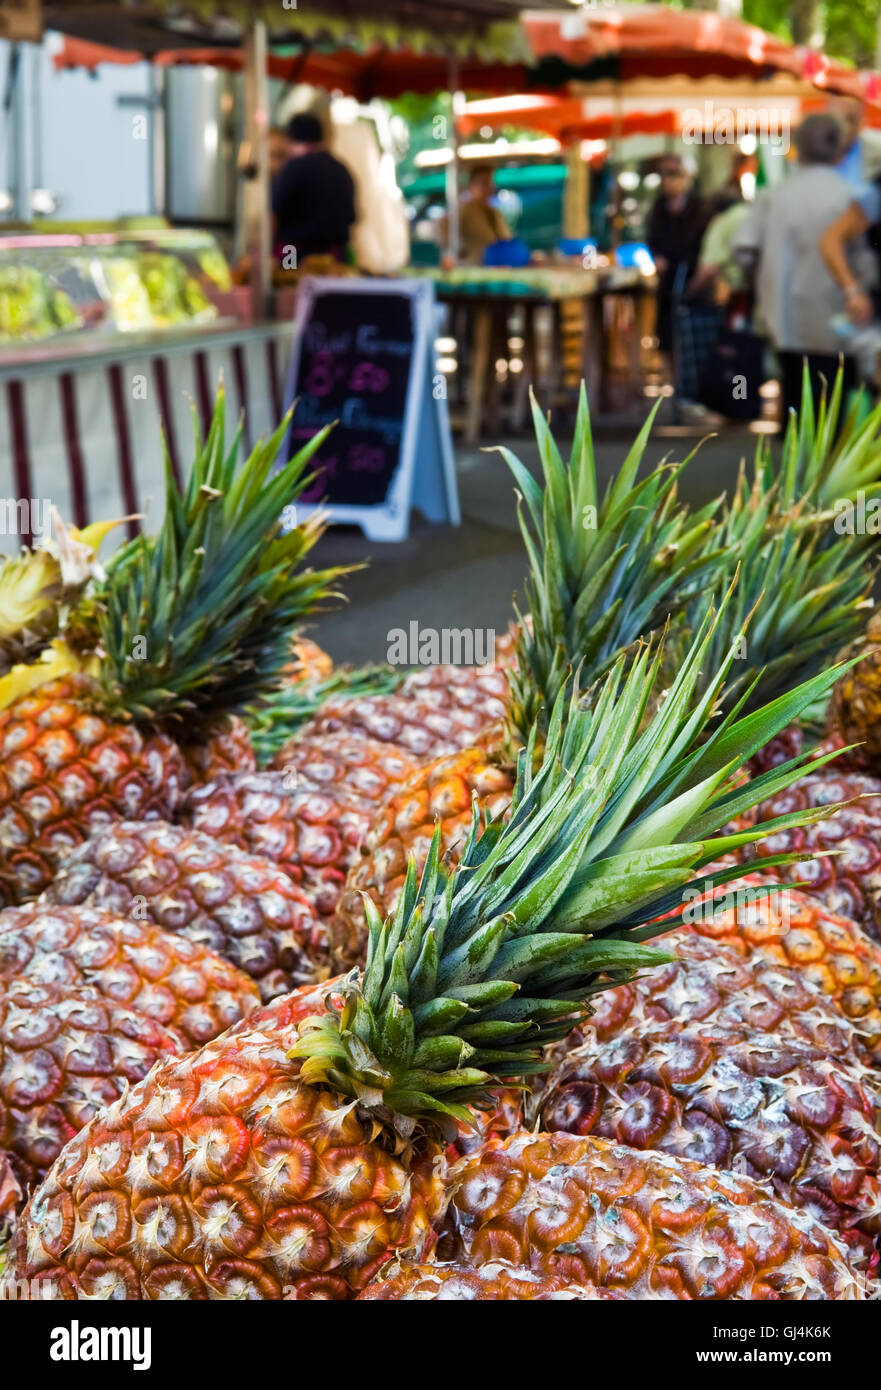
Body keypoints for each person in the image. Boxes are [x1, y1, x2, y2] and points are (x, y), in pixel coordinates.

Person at [733, 111, 876, 424]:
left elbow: (743, 252)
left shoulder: (773, 196)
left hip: (783, 319)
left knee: (794, 397)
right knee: (836, 403)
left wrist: (759, 279)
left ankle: (794, 466)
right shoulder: (853, 195)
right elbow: (866, 259)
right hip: (842, 317)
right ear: (840, 148)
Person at [646, 155, 710, 368]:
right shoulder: (659, 207)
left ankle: (691, 387)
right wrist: (657, 258)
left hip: (694, 282)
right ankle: (673, 385)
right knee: (665, 336)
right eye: (663, 174)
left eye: (673, 174)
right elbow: (652, 239)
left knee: (693, 337)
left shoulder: (700, 207)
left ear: (687, 177)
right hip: (667, 283)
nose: (667, 180)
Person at [271, 112, 357, 265]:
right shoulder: (341, 169)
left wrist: (266, 253)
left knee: (290, 285)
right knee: (329, 289)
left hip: (292, 253)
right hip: (334, 257)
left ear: (291, 140)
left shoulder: (293, 167)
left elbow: (274, 215)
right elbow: (352, 219)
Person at [459, 168, 511, 265]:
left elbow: (505, 239)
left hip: (496, 271)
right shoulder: (462, 212)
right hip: (474, 272)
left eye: (491, 183)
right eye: (483, 183)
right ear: (470, 186)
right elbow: (443, 231)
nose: (489, 188)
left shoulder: (494, 212)